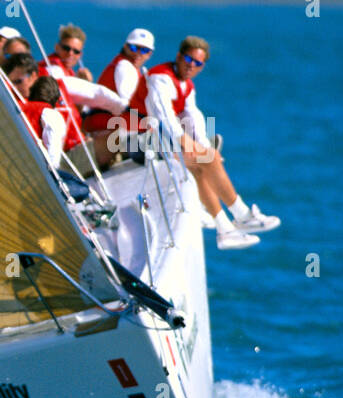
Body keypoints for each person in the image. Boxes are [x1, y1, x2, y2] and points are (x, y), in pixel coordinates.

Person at [134, 35, 280, 249]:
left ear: (202, 66)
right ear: (178, 56)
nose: (191, 66)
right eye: (188, 59)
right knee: (206, 159)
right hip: (135, 142)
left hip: (156, 142)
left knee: (203, 165)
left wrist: (203, 146)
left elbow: (194, 118)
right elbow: (165, 118)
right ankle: (242, 215)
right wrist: (198, 149)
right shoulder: (161, 79)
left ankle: (226, 231)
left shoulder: (187, 86)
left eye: (198, 63)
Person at [37, 25, 126, 175]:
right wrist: (126, 111)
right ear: (57, 47)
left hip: (71, 144)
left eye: (76, 51)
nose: (70, 54)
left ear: (80, 55)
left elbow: (72, 110)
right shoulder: (54, 72)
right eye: (66, 48)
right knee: (122, 136)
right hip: (65, 154)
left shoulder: (67, 73)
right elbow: (96, 94)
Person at [81, 27, 156, 168]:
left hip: (102, 126)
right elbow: (128, 104)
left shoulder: (123, 65)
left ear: (150, 54)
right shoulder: (125, 67)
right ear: (125, 47)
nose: (138, 53)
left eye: (144, 50)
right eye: (134, 47)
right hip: (106, 130)